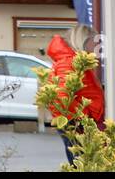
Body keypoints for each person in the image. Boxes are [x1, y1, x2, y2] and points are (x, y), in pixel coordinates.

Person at [44, 24, 105, 166]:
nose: (96, 46)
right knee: (83, 164)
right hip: (78, 126)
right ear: (83, 41)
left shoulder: (72, 61)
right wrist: (85, 116)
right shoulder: (69, 62)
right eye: (94, 42)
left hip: (79, 124)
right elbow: (62, 98)